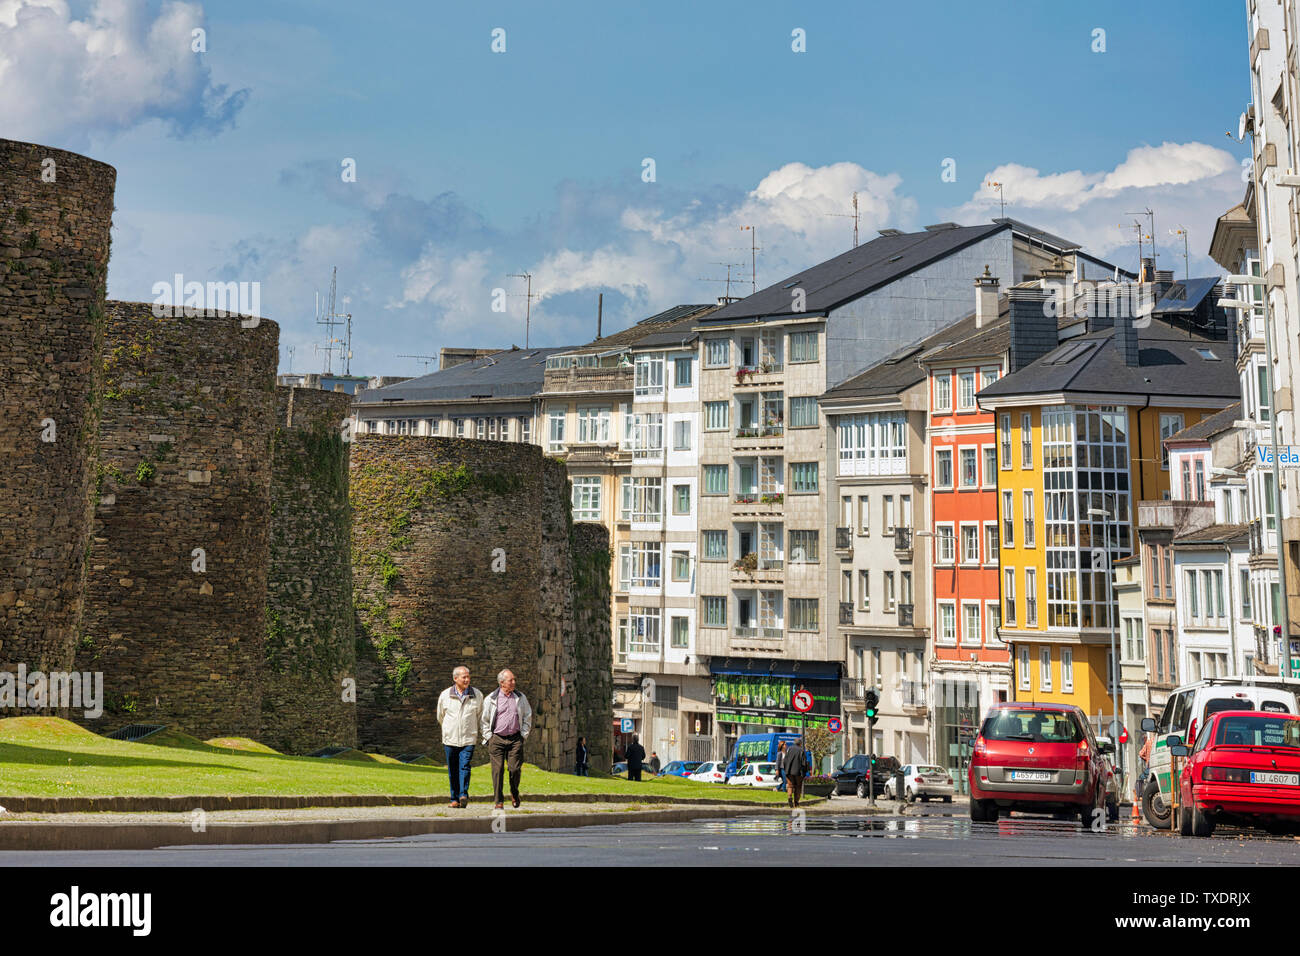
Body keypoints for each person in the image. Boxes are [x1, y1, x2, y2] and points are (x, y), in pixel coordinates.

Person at [480, 668, 532, 809]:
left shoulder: (520, 697)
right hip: (497, 739)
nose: (514, 682)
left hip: (515, 739)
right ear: (502, 683)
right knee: (497, 771)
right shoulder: (491, 698)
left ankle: (514, 793)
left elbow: (528, 715)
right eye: (511, 680)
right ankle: (498, 801)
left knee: (514, 769)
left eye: (514, 679)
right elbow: (484, 720)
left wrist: (523, 735)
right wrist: (489, 737)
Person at [436, 665, 482, 808]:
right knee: (453, 770)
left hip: (468, 738)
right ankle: (454, 799)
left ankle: (463, 794)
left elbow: (479, 715)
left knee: (465, 766)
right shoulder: (445, 695)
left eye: (468, 676)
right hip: (450, 738)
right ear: (455, 679)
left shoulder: (477, 695)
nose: (467, 679)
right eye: (464, 677)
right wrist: (449, 729)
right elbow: (440, 716)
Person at [782, 736, 810, 808]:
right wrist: (805, 771)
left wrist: (786, 769)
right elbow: (804, 763)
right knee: (798, 787)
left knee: (790, 785)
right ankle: (796, 802)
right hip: (798, 772)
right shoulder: (801, 750)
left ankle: (789, 796)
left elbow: (785, 760)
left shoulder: (789, 749)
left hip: (789, 771)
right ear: (800, 744)